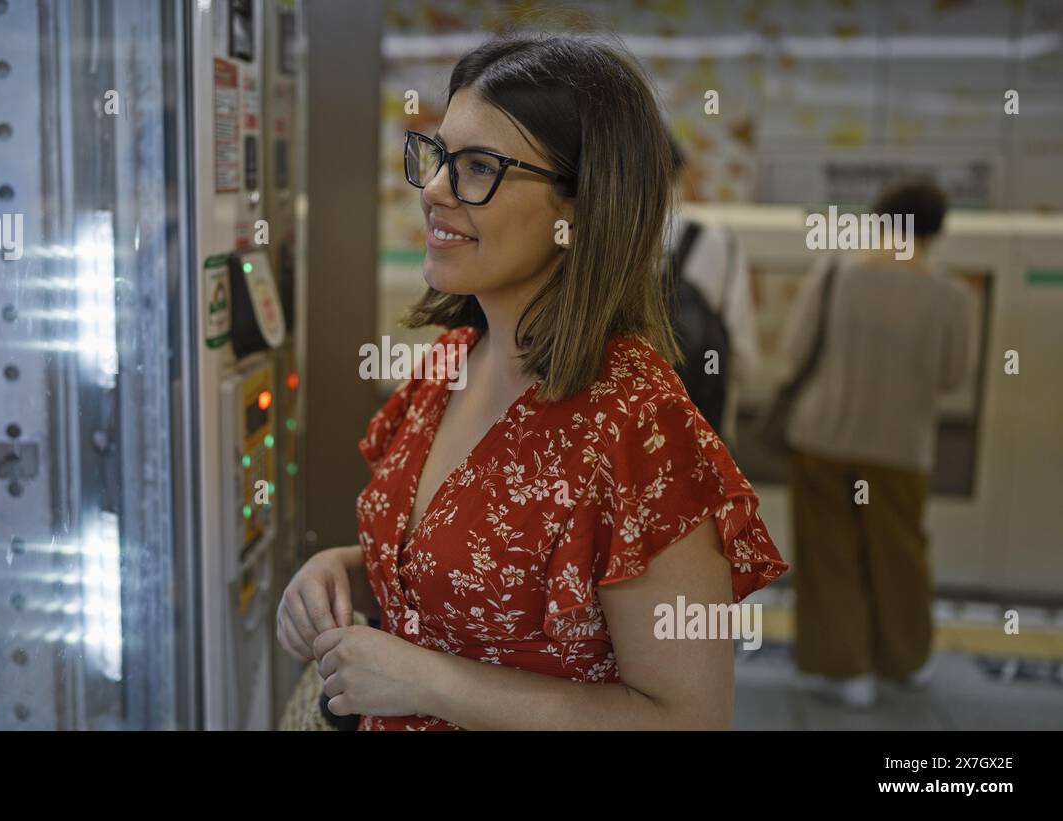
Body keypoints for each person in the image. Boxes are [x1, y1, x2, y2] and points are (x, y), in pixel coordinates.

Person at [276, 33, 787, 730]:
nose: (432, 189)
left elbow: (689, 717)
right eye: (437, 157)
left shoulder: (637, 425)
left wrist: (431, 683)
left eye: (478, 167)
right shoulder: (451, 362)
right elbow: (455, 575)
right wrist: (341, 573)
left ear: (579, 206)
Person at [781, 178, 972, 709]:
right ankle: (905, 661)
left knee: (829, 554)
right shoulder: (951, 296)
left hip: (823, 438)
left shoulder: (837, 274)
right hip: (901, 448)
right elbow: (953, 376)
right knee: (901, 553)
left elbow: (796, 352)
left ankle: (845, 673)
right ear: (935, 230)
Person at [662, 139, 760, 439]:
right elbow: (741, 351)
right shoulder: (716, 240)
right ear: (681, 172)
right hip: (698, 417)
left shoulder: (600, 235)